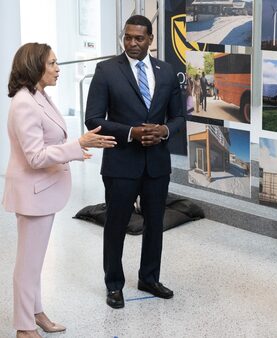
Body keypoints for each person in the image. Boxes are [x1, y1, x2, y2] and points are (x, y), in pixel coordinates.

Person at [3, 43, 116, 338]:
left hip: (41, 192)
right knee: (28, 265)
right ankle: (24, 328)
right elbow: (36, 157)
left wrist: (78, 142)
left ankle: (36, 313)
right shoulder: (24, 103)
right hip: (32, 193)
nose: (58, 68)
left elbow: (48, 143)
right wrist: (78, 146)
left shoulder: (38, 95)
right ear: (35, 67)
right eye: (52, 63)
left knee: (35, 260)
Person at [84, 15, 185, 309]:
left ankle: (149, 278)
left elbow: (179, 117)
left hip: (156, 164)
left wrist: (164, 130)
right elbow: (93, 118)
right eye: (127, 37)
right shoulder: (106, 71)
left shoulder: (166, 72)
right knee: (116, 224)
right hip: (121, 164)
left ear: (150, 40)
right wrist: (131, 132)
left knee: (155, 224)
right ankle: (113, 284)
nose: (132, 43)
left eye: (139, 38)